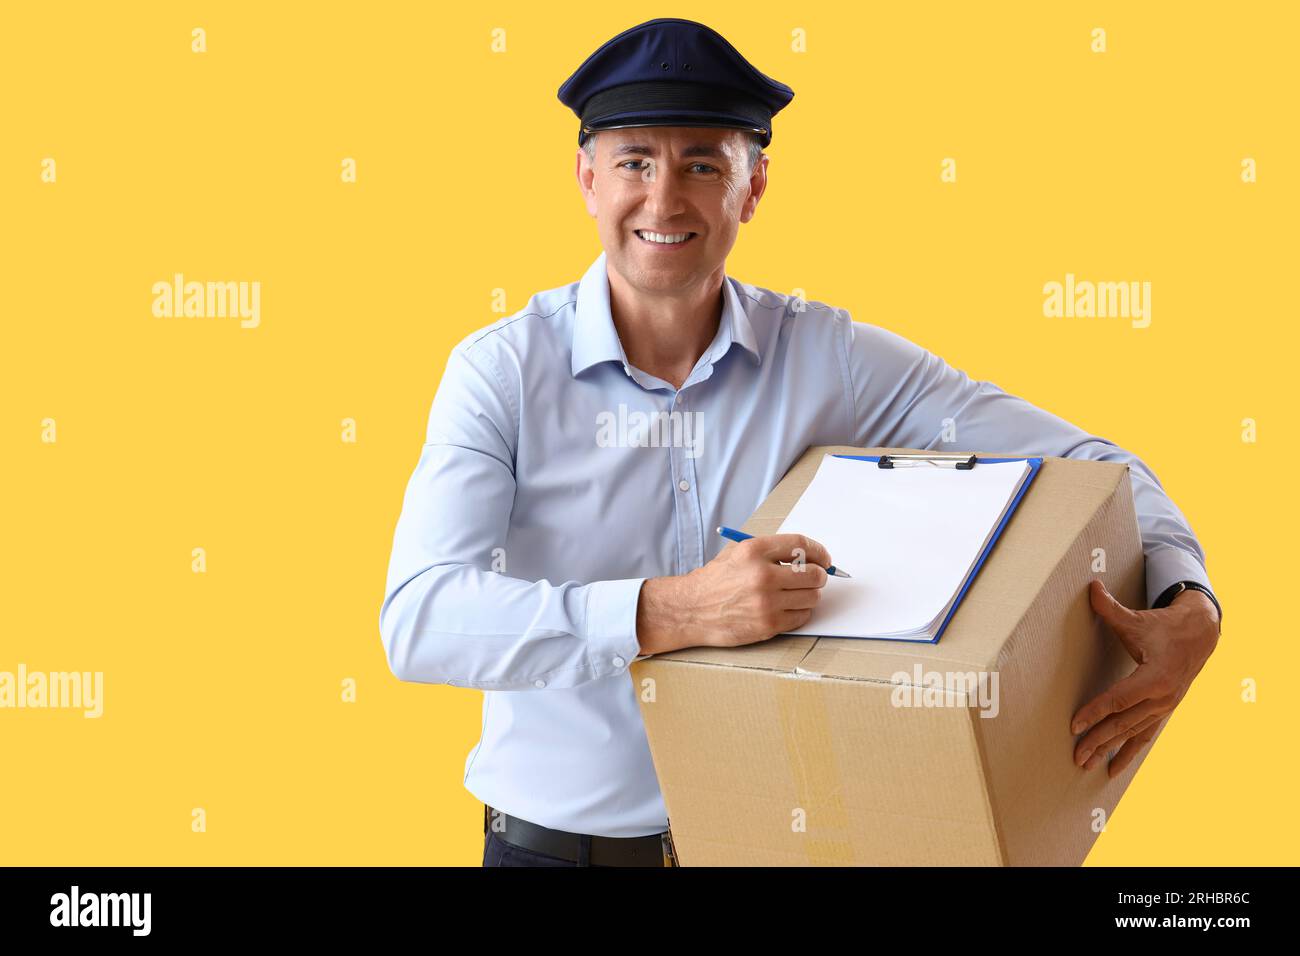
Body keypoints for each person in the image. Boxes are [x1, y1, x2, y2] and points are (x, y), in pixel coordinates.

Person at [379, 18, 1222, 867]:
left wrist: (1189, 594)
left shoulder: (832, 361)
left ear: (752, 189)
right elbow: (422, 619)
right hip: (553, 855)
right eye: (635, 160)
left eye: (702, 163)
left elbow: (1096, 467)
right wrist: (673, 608)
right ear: (587, 179)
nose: (663, 200)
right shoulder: (500, 373)